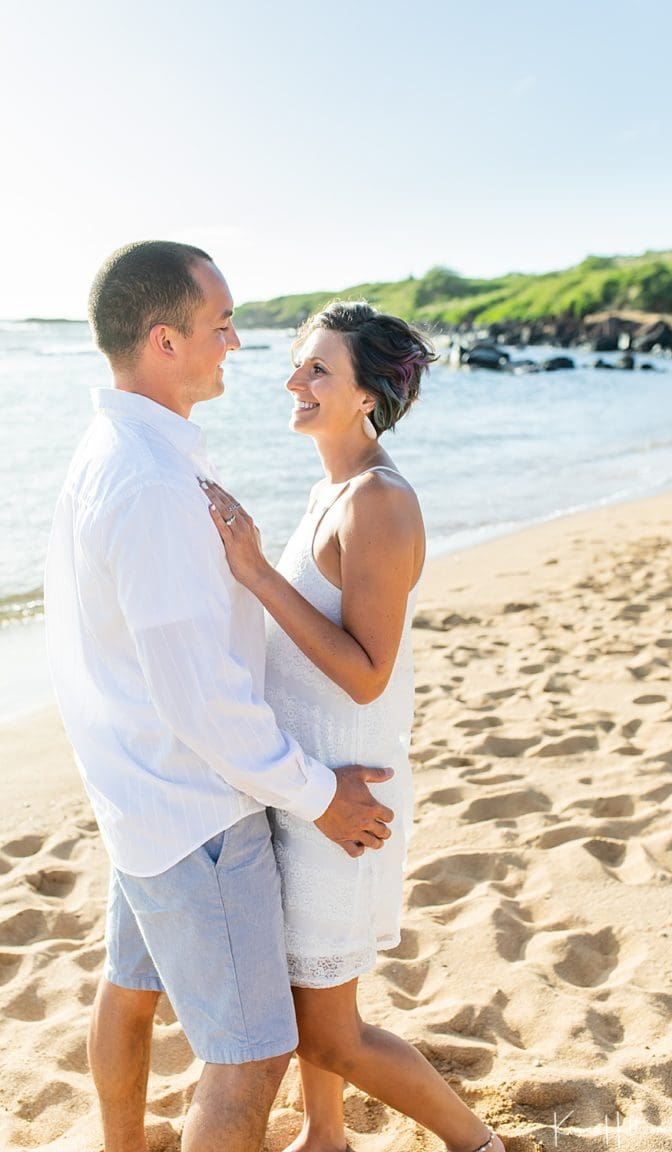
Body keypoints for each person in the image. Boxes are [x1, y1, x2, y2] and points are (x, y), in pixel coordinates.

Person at [44, 244, 397, 1152]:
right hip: (199, 812)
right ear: (164, 340)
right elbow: (202, 701)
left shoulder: (110, 447)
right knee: (249, 1057)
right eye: (222, 324)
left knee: (129, 990)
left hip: (137, 795)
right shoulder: (152, 483)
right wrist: (322, 796)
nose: (238, 343)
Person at [205, 301, 505, 1152]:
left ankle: (475, 1144)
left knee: (330, 1029)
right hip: (308, 780)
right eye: (299, 364)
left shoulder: (379, 502)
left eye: (317, 370)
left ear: (366, 396)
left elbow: (366, 674)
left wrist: (257, 574)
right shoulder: (332, 487)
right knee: (314, 993)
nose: (294, 381)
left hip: (347, 795)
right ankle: (326, 1135)